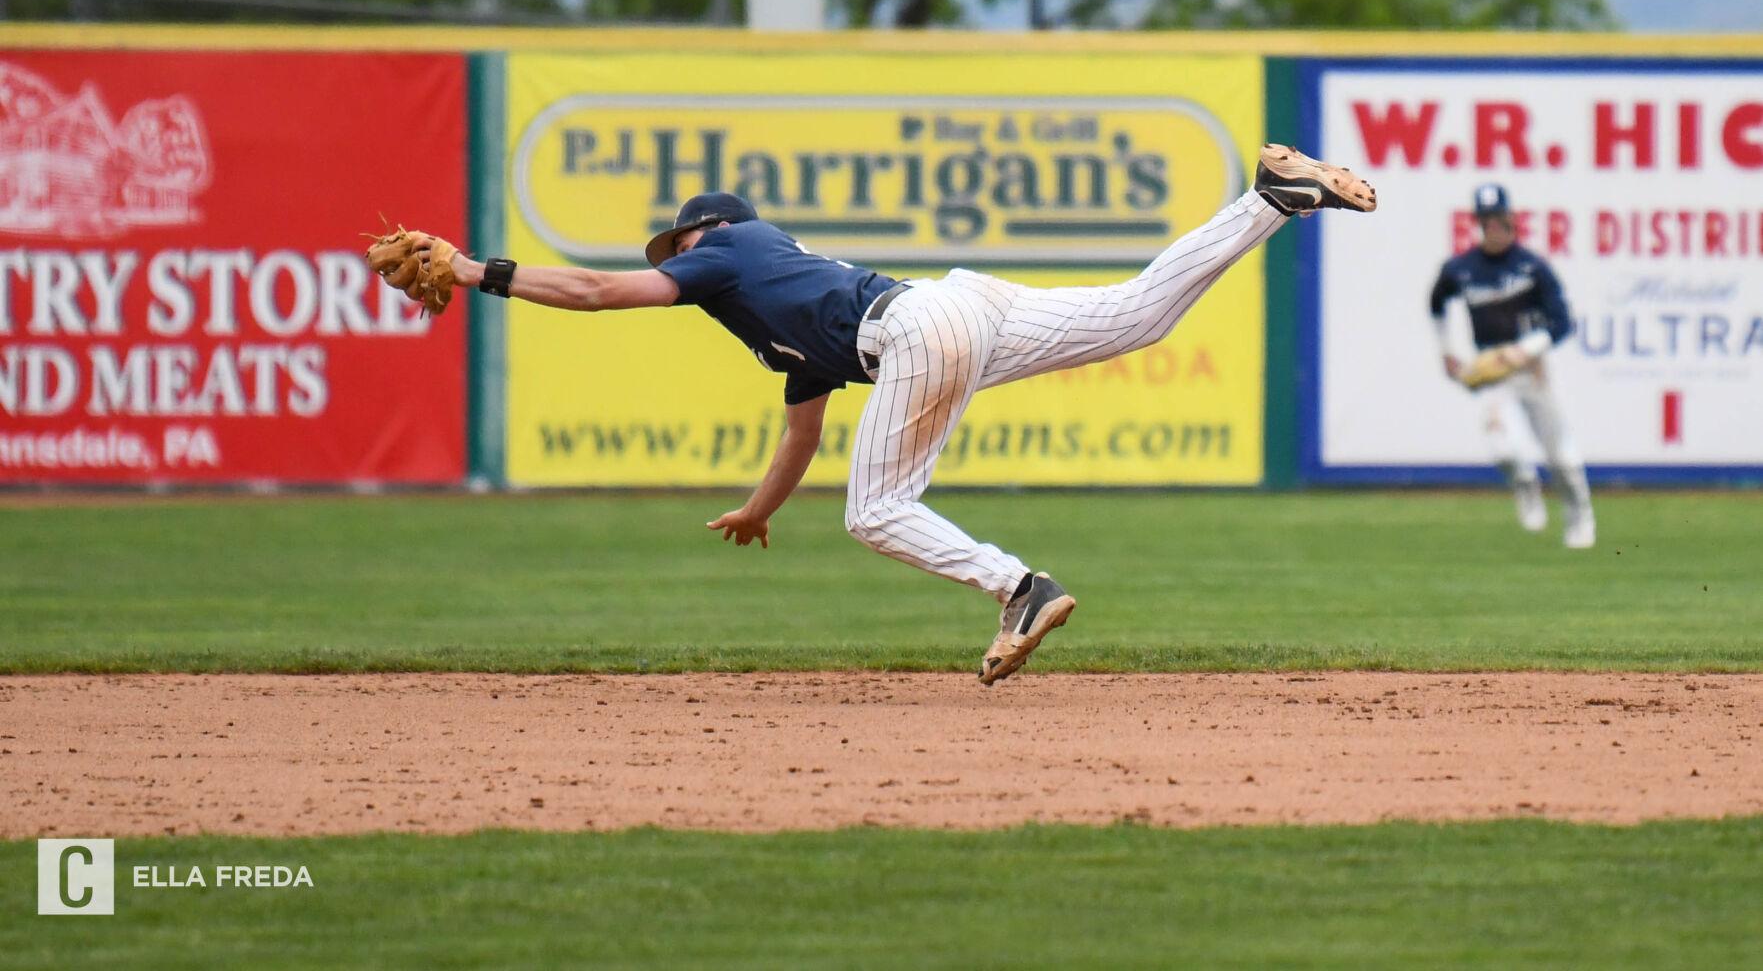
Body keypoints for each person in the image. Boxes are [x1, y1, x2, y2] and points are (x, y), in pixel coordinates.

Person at [435, 145, 1375, 683]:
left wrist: (480, 272)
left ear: (702, 233)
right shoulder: (774, 314)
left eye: (674, 243)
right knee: (1138, 315)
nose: (672, 257)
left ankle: (1019, 588)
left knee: (875, 511)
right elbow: (801, 432)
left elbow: (599, 291)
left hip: (917, 327)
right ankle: (1269, 199)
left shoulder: (728, 249)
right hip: (959, 308)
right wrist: (759, 509)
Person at [1429, 183, 1595, 549]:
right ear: (1478, 222)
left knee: (1561, 456)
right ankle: (1526, 486)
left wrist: (1526, 349)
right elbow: (1437, 303)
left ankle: (1579, 514)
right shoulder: (1462, 269)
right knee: (1503, 449)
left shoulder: (1531, 266)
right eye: (1485, 219)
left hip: (1532, 369)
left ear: (1510, 217)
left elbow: (1562, 322)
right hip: (1493, 371)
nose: (1493, 225)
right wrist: (1446, 350)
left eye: (1497, 217)